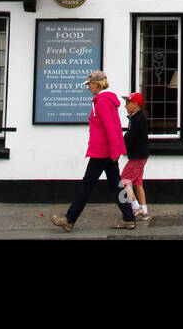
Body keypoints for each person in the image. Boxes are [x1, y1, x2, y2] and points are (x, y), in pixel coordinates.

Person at [51, 70, 138, 231]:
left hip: (102, 152)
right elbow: (114, 127)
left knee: (87, 185)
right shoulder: (106, 100)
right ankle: (129, 218)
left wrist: (113, 152)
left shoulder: (102, 102)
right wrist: (115, 151)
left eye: (89, 84)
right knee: (116, 185)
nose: (88, 87)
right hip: (107, 151)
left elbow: (110, 129)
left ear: (96, 84)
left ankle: (69, 220)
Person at [120, 92, 152, 221]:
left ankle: (136, 207)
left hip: (137, 156)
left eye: (127, 103)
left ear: (135, 105)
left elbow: (129, 137)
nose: (125, 106)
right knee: (138, 183)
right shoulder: (137, 117)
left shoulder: (137, 119)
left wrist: (120, 148)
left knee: (124, 180)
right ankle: (144, 211)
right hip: (141, 155)